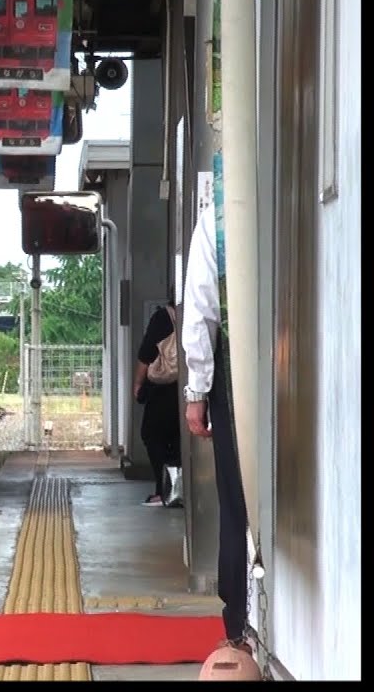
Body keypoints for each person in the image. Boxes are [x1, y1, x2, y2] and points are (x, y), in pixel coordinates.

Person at [181, 193, 251, 654]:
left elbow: (202, 307)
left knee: (236, 498)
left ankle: (240, 625)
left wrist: (197, 391)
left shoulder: (218, 214)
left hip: (233, 370)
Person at [133, 296, 181, 507]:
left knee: (152, 435)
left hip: (164, 388)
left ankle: (164, 491)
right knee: (178, 439)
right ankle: (179, 491)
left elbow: (147, 353)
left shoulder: (163, 317)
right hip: (192, 387)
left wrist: (138, 384)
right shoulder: (198, 315)